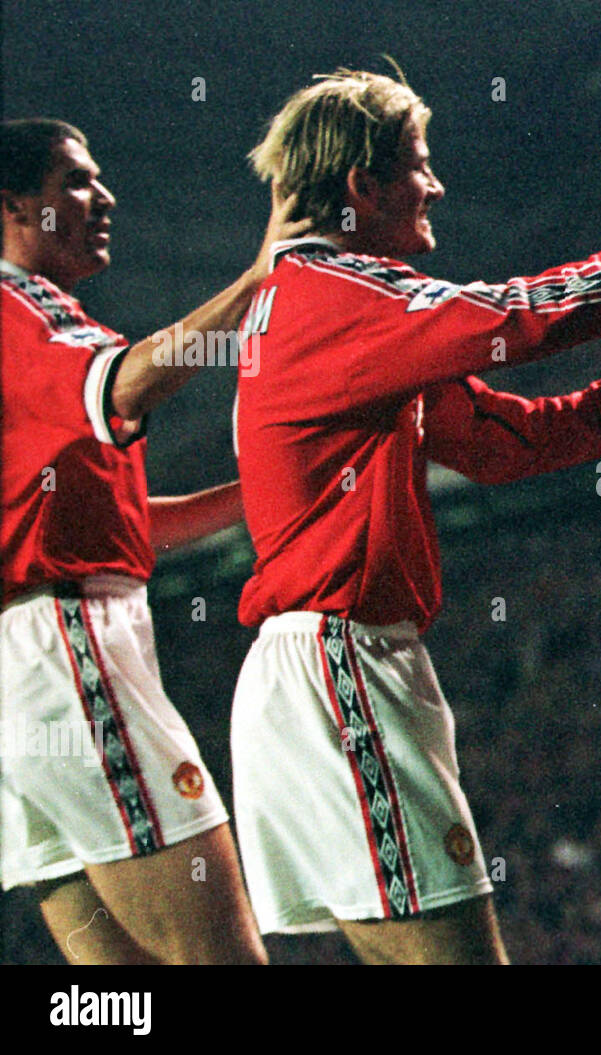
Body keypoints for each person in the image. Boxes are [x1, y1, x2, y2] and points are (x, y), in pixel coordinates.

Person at [229, 66, 601, 964]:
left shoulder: (317, 309)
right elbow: (518, 316)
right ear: (363, 187)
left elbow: (499, 440)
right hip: (340, 668)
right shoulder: (339, 296)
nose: (437, 185)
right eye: (419, 165)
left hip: (325, 667)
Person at [0, 117, 307, 964]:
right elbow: (129, 382)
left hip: (23, 673)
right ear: (14, 206)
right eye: (77, 181)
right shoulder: (17, 309)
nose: (105, 198)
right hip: (66, 651)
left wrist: (266, 491)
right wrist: (258, 279)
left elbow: (121, 528)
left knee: (117, 993)